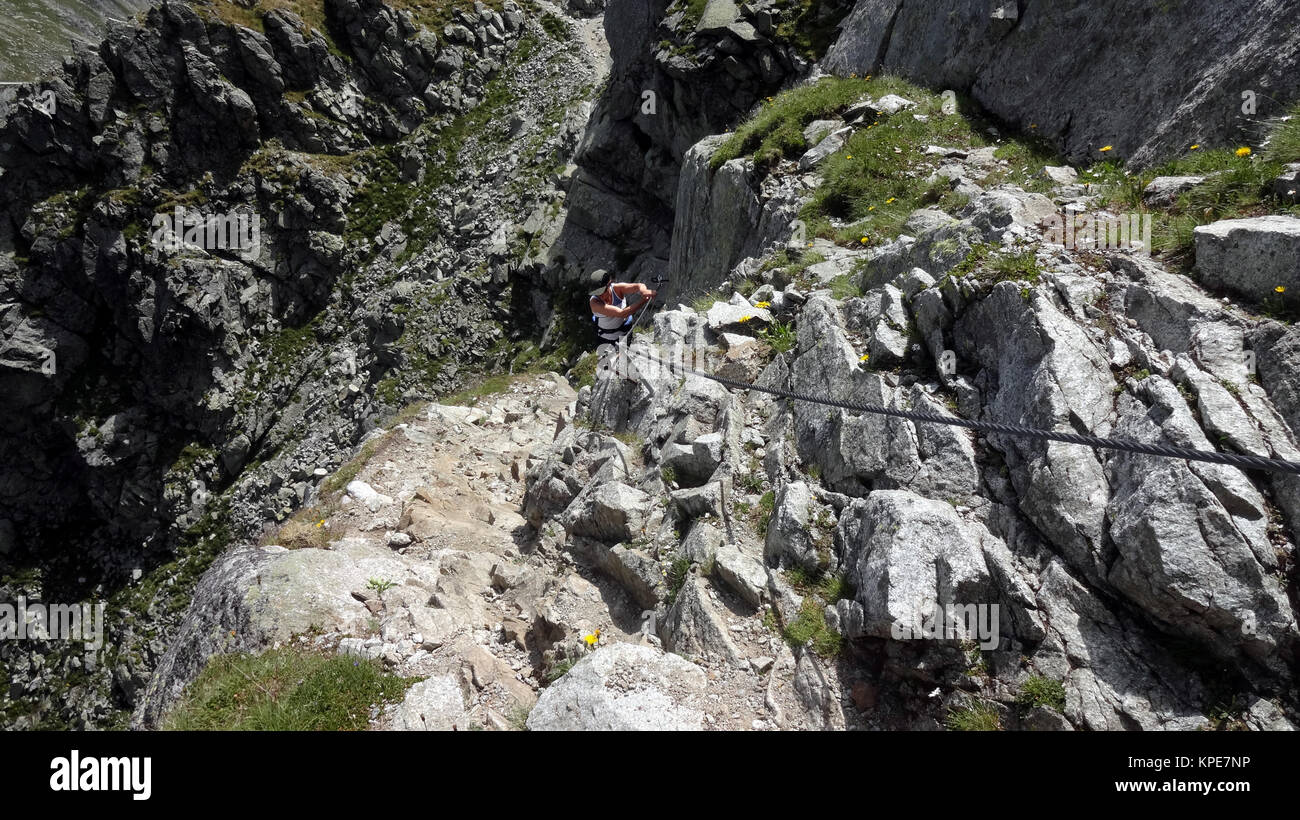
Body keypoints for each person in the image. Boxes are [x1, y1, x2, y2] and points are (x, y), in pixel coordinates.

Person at [588, 269, 656, 345]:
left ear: (609, 284)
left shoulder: (617, 289)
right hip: (607, 339)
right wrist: (644, 300)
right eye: (597, 293)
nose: (601, 296)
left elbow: (639, 286)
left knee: (626, 355)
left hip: (626, 333)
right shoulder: (595, 303)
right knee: (612, 356)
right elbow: (622, 314)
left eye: (602, 292)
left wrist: (644, 291)